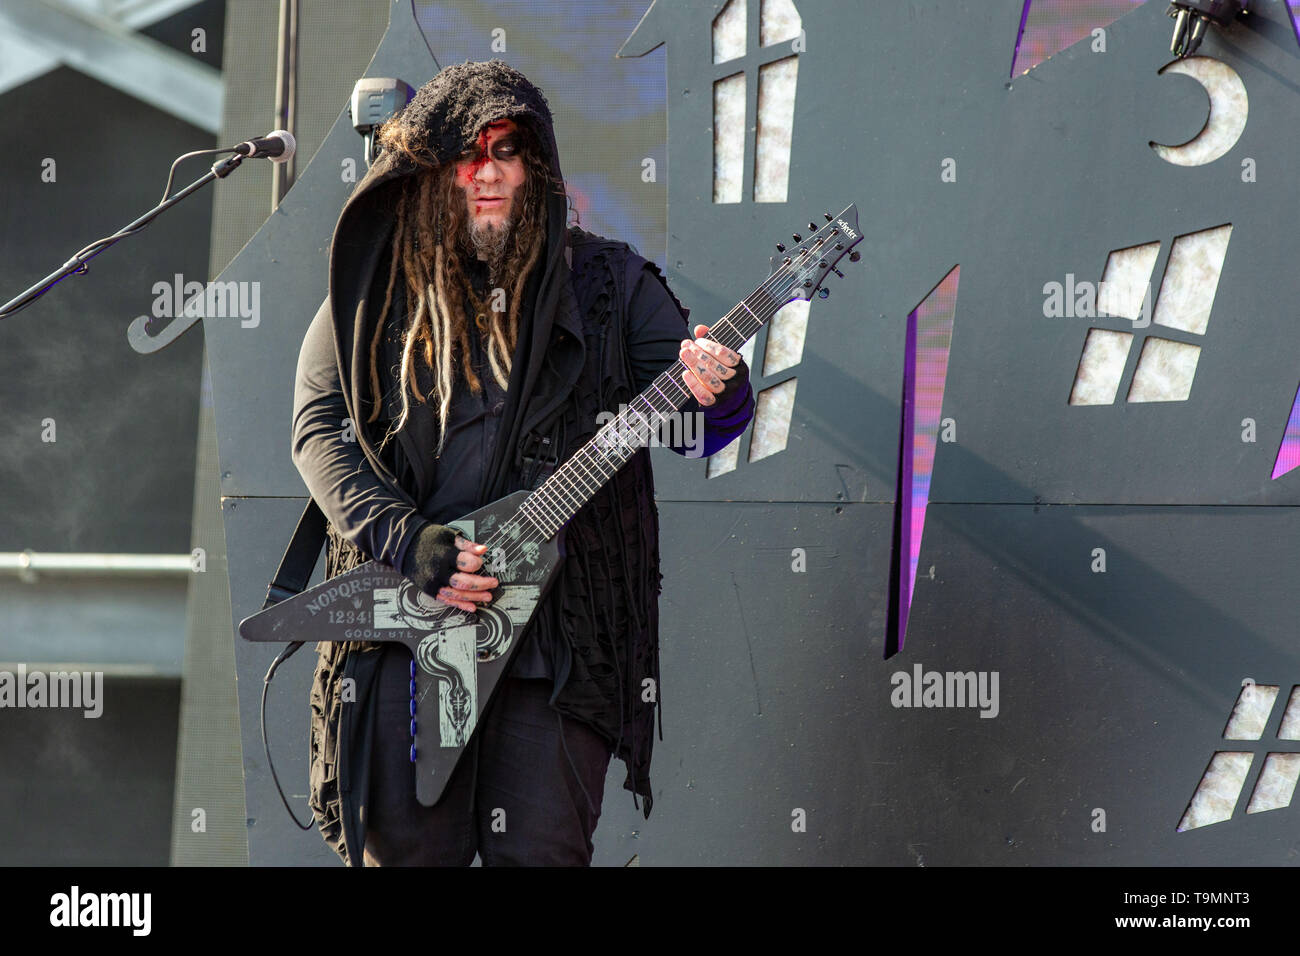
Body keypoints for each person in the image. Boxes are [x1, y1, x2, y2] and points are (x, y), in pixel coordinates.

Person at [291, 59, 754, 866]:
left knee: (540, 853)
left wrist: (722, 387)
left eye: (507, 150)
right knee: (404, 852)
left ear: (535, 166)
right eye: (467, 154)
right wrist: (413, 544)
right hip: (407, 620)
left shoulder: (610, 284)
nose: (488, 171)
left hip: (555, 642)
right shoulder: (377, 288)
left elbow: (696, 423)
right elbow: (320, 433)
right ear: (432, 171)